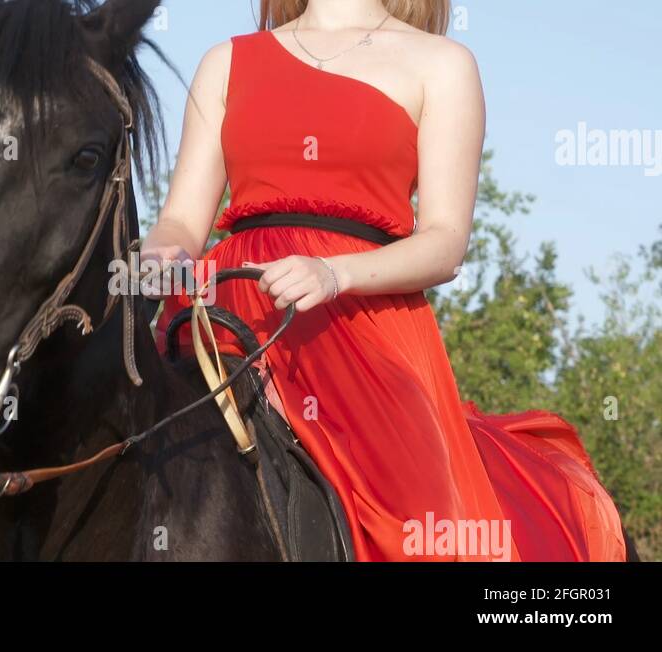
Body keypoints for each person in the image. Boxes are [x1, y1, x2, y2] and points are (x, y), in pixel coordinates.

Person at [142, 0, 626, 560]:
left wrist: (333, 273)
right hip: (226, 314)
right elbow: (182, 219)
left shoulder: (443, 65)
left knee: (421, 529)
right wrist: (156, 259)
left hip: (356, 326)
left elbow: (445, 241)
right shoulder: (225, 61)